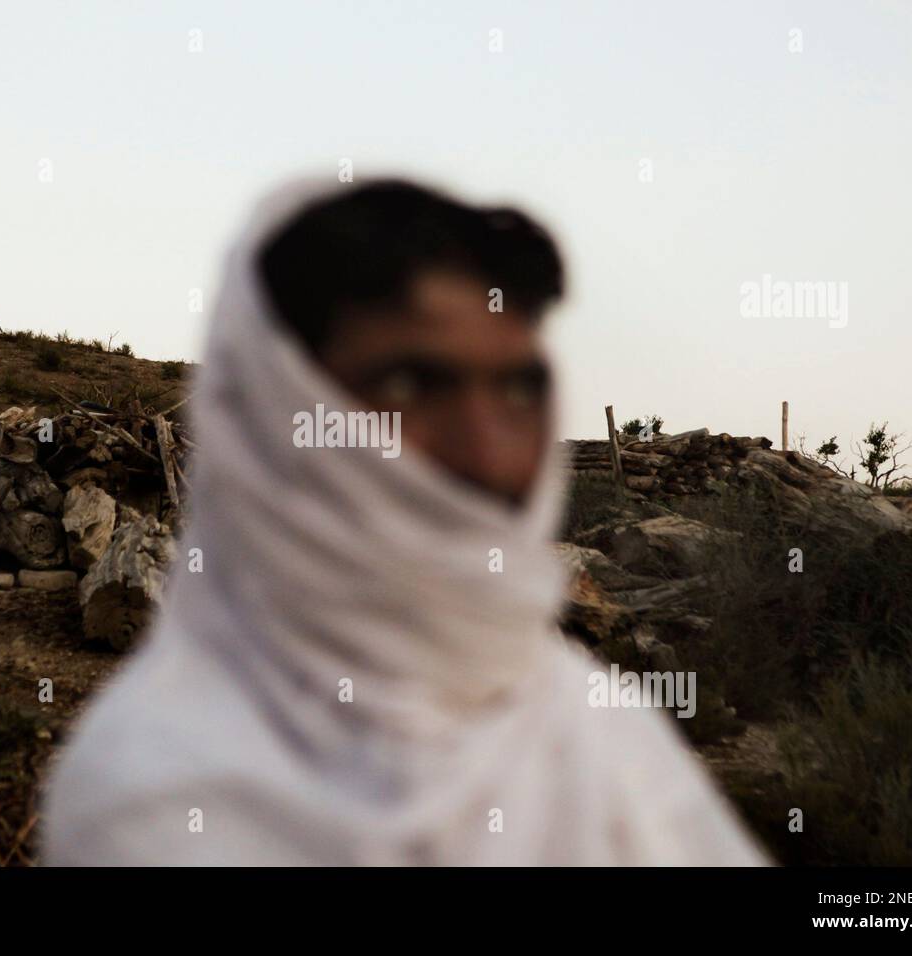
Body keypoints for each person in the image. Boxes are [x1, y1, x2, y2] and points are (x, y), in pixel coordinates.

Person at [42, 176, 769, 866]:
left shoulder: (580, 713)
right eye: (412, 384)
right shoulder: (160, 795)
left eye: (519, 388)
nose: (488, 448)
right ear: (271, 417)